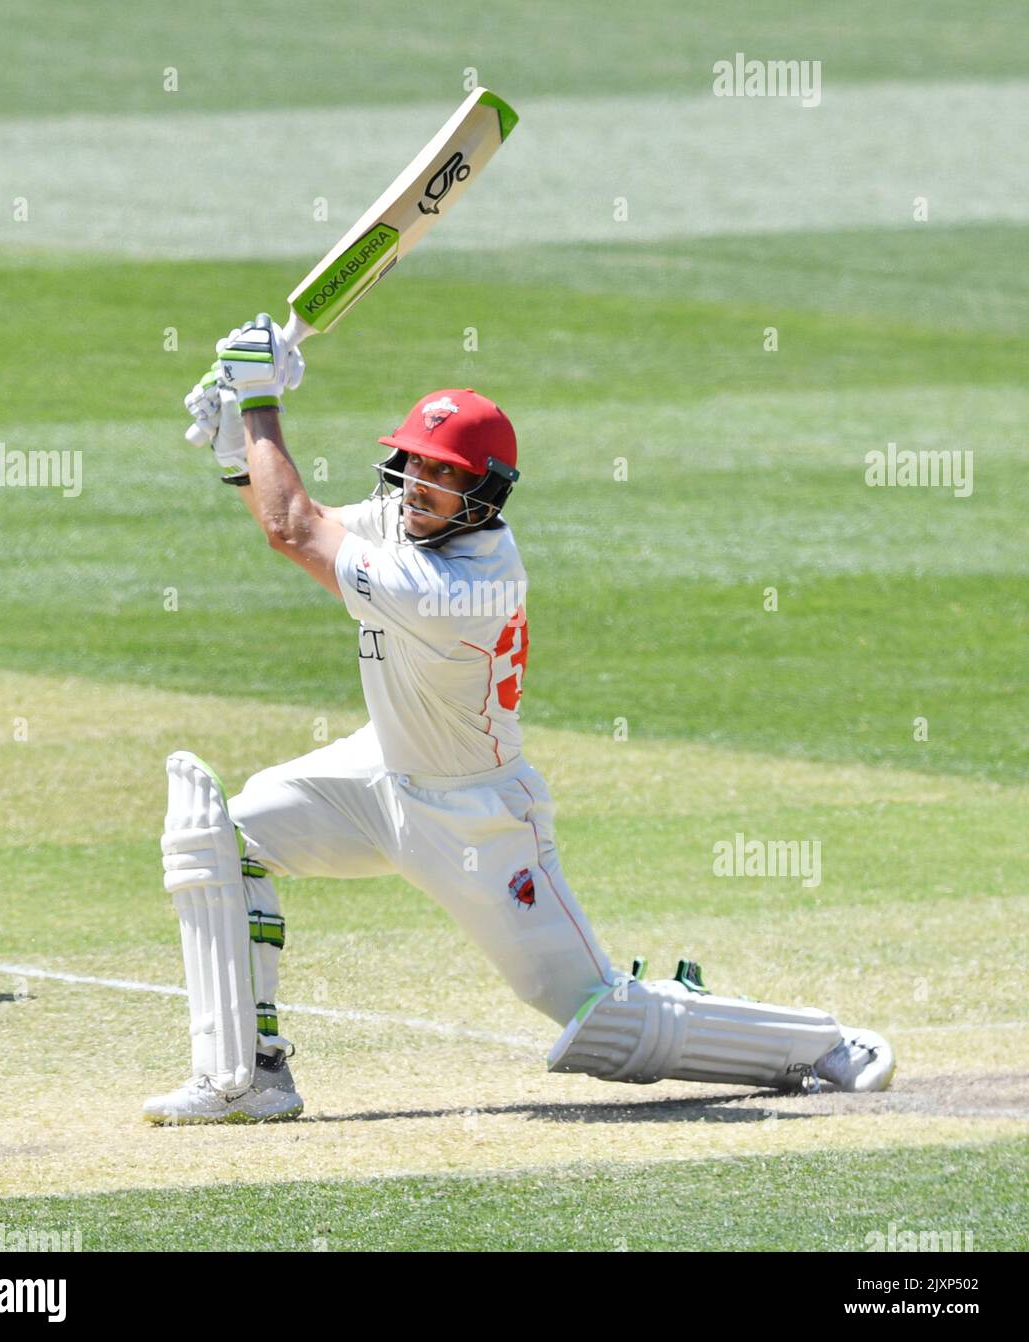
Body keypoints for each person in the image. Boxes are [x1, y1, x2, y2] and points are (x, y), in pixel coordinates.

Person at [143, 315, 895, 1125]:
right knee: (222, 836)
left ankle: (817, 1044)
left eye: (445, 472)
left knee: (599, 1015)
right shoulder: (411, 517)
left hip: (476, 818)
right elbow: (306, 510)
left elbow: (291, 529)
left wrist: (258, 403)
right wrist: (236, 447)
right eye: (415, 462)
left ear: (484, 493)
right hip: (378, 777)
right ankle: (246, 1078)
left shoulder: (461, 588)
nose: (420, 483)